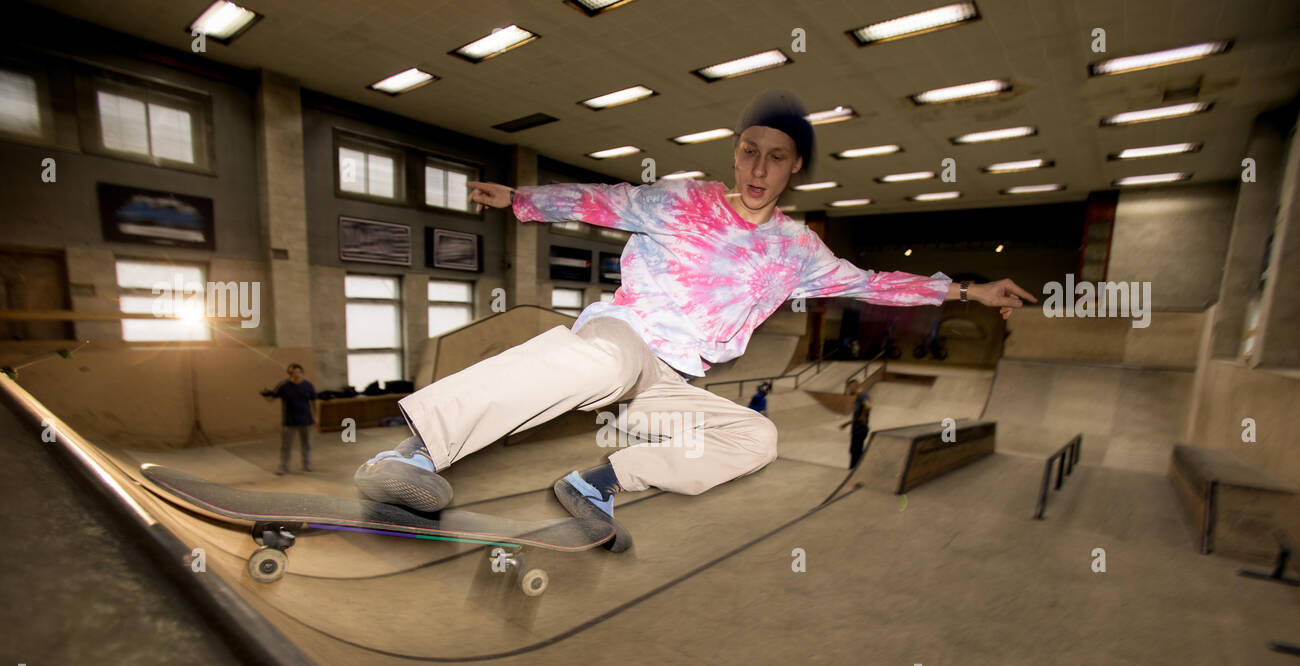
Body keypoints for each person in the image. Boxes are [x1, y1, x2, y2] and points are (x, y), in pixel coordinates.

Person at [353, 89, 1035, 542]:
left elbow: (875, 282)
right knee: (605, 357)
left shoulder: (799, 249)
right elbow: (604, 201)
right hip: (625, 336)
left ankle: (595, 482)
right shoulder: (685, 201)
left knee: (755, 441)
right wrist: (520, 200)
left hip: (671, 380)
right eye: (748, 151)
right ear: (735, 151)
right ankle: (413, 453)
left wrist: (970, 292)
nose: (757, 169)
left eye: (775, 158)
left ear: (795, 166)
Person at [261, 363, 318, 475]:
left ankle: (306, 464)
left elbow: (314, 401)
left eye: (298, 372)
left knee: (306, 444)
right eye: (293, 372)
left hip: (306, 420)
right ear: (290, 373)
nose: (296, 374)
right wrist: (266, 395)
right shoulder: (283, 386)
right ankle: (283, 467)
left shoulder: (308, 385)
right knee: (286, 445)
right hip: (290, 421)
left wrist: (316, 416)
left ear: (301, 373)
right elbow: (272, 398)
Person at [840, 380, 872, 469]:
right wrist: (847, 424)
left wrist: (864, 416)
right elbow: (858, 416)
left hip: (860, 429)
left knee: (856, 452)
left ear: (853, 387)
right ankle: (854, 469)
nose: (849, 391)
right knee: (854, 451)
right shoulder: (859, 396)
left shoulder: (862, 395)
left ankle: (853, 470)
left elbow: (868, 406)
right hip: (858, 428)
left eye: (849, 389)